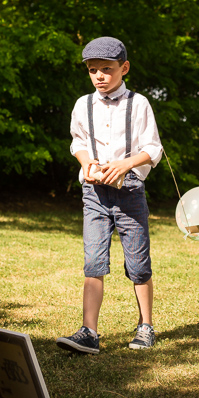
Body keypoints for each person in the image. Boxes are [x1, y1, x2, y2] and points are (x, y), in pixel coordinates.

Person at [57, 36, 163, 354]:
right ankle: (89, 332)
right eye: (93, 70)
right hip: (94, 195)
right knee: (93, 262)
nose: (99, 76)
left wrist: (125, 164)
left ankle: (145, 326)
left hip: (129, 193)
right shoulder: (82, 105)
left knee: (139, 264)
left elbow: (153, 148)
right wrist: (86, 163)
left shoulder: (139, 104)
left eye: (107, 69)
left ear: (124, 68)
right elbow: (77, 142)